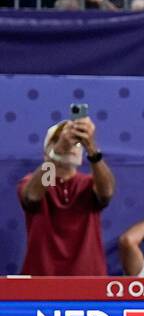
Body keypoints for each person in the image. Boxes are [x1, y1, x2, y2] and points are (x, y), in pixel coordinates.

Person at [18, 117, 115, 276]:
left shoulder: (89, 183)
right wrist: (56, 154)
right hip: (42, 281)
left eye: (77, 142)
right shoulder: (38, 181)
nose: (70, 146)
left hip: (87, 281)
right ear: (47, 151)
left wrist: (91, 148)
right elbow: (32, 197)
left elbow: (107, 192)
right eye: (59, 140)